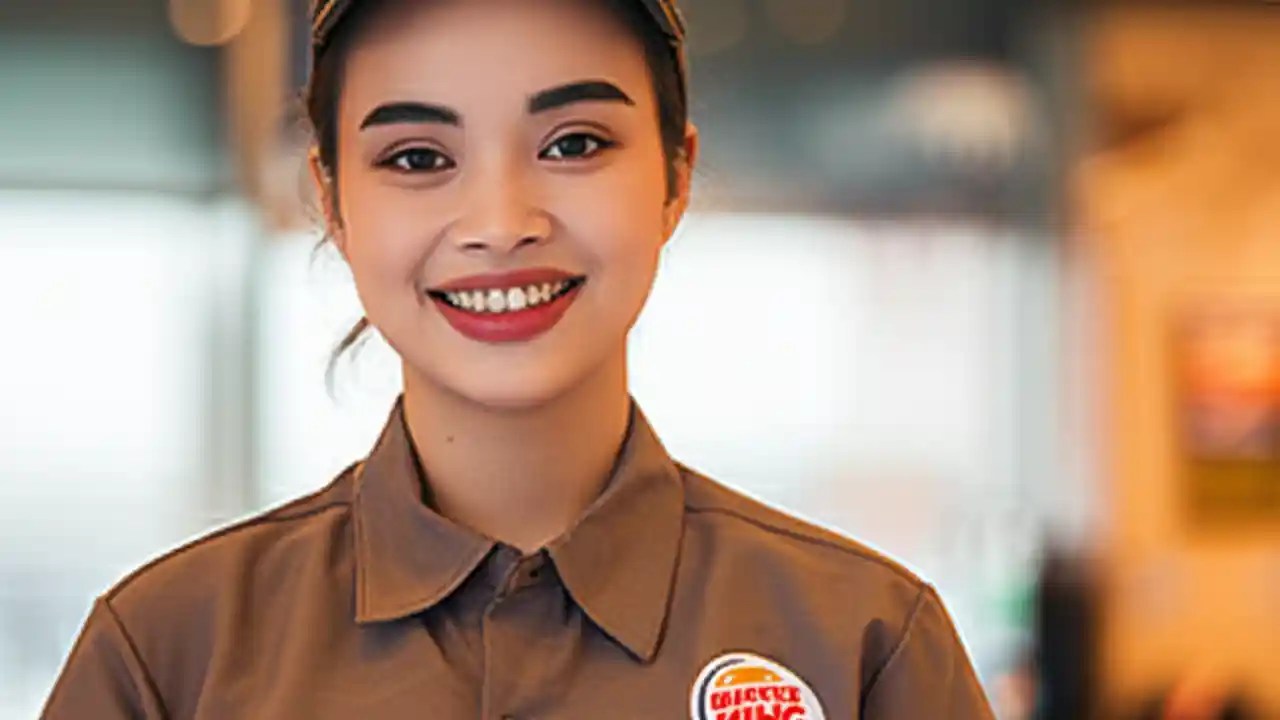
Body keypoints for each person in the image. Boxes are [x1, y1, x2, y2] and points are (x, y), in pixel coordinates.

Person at [41, 0, 995, 717]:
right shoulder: (169, 656)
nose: (501, 225)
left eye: (573, 143)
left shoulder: (863, 643)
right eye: (417, 158)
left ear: (676, 175)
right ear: (332, 202)